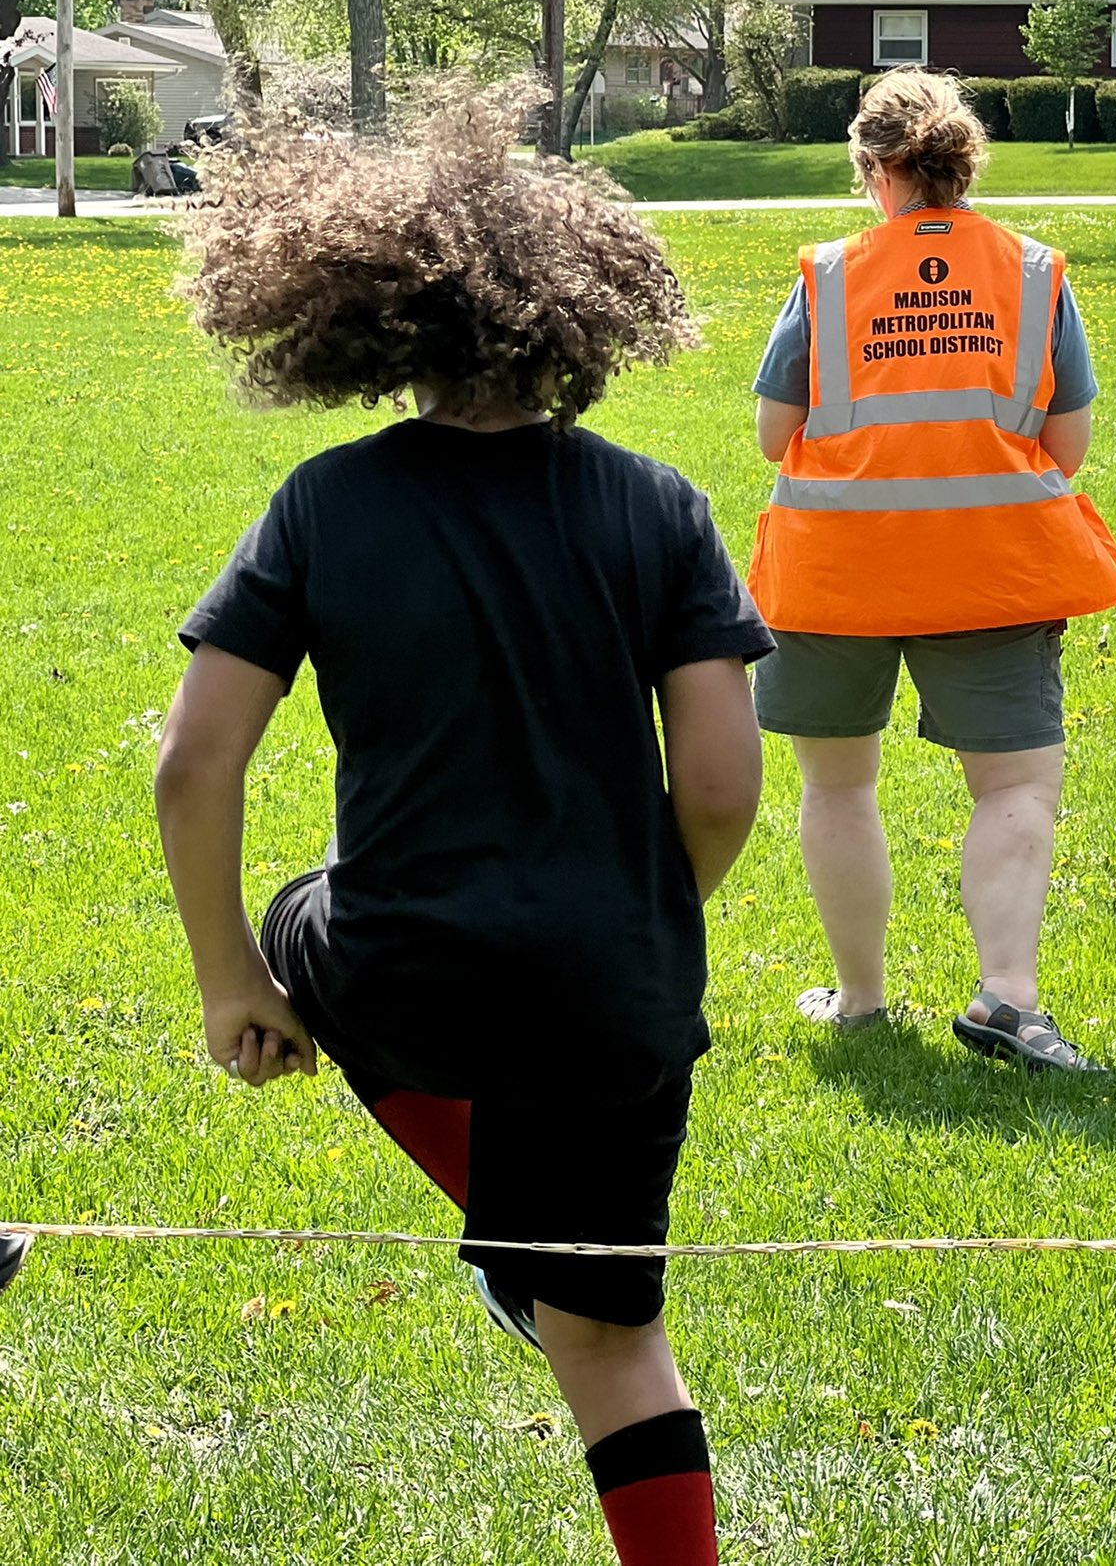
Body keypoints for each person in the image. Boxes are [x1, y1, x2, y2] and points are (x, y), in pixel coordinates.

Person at [154, 86, 771, 1566]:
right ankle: (530, 1242)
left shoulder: (320, 505)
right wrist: (648, 901)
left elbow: (194, 763)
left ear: (372, 322)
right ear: (586, 318)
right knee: (618, 1345)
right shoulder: (661, 506)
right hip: (612, 988)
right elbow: (725, 783)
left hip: (398, 968)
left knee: (310, 919)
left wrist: (233, 975)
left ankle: (509, 1231)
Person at [746, 69, 1116, 1071]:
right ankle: (1006, 995)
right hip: (991, 566)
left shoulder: (827, 274)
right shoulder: (1034, 270)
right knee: (1011, 784)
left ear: (873, 169)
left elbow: (771, 430)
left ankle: (862, 999)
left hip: (836, 569)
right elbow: (1068, 438)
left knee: (837, 785)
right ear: (965, 164)